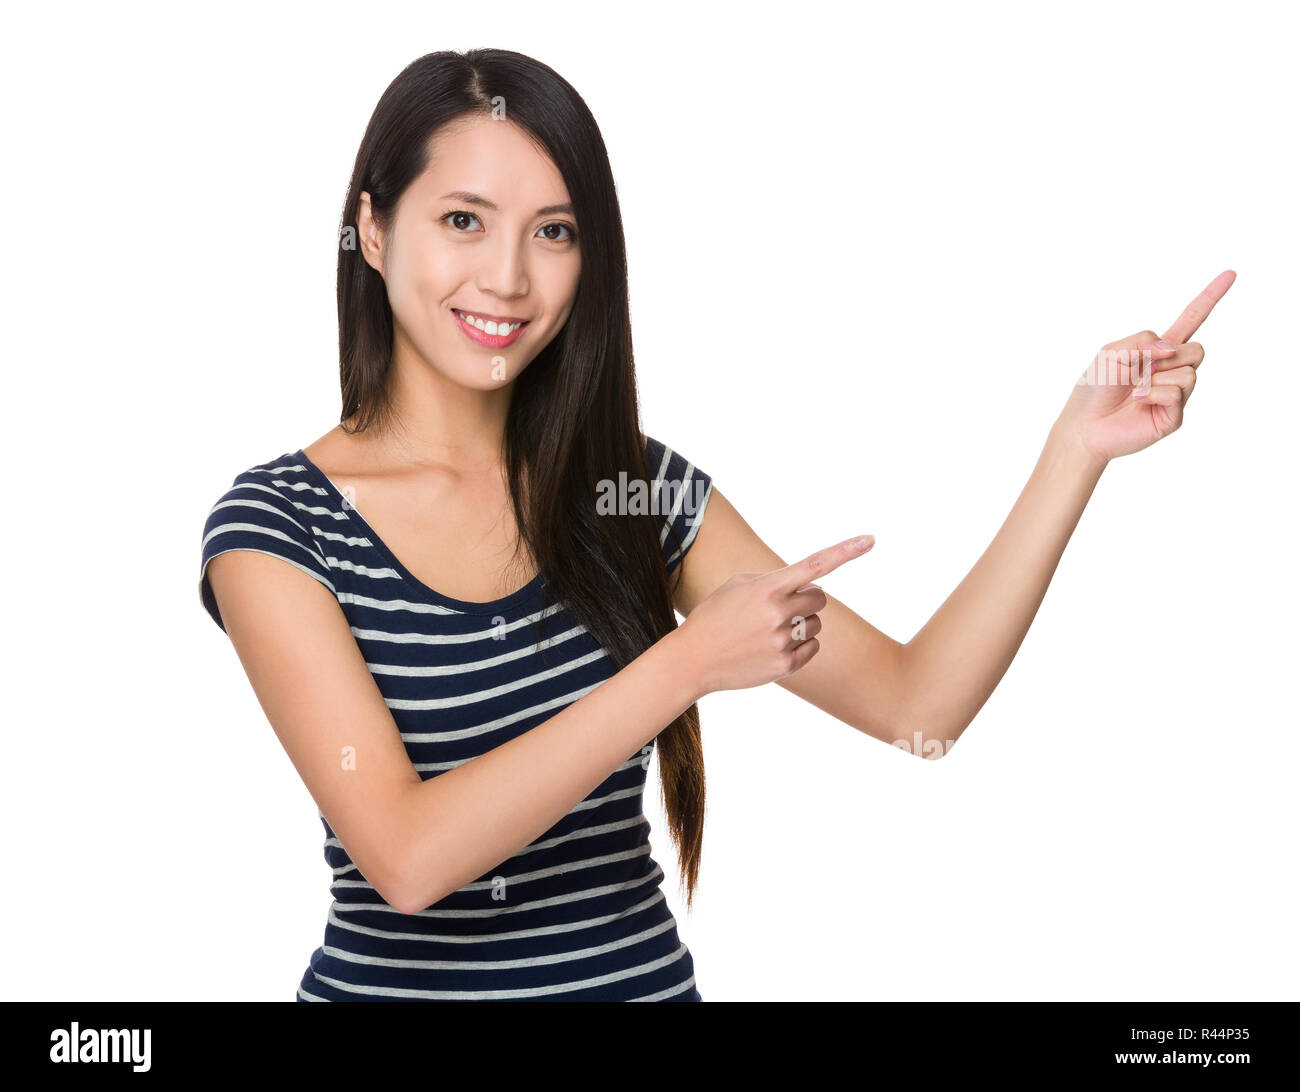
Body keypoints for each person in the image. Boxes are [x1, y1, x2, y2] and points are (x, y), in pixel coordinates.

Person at [198, 48, 1234, 1002]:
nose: (508, 278)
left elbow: (920, 704)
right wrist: (682, 666)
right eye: (462, 220)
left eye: (553, 231)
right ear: (373, 229)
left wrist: (1071, 452)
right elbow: (408, 858)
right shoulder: (279, 528)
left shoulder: (633, 491)